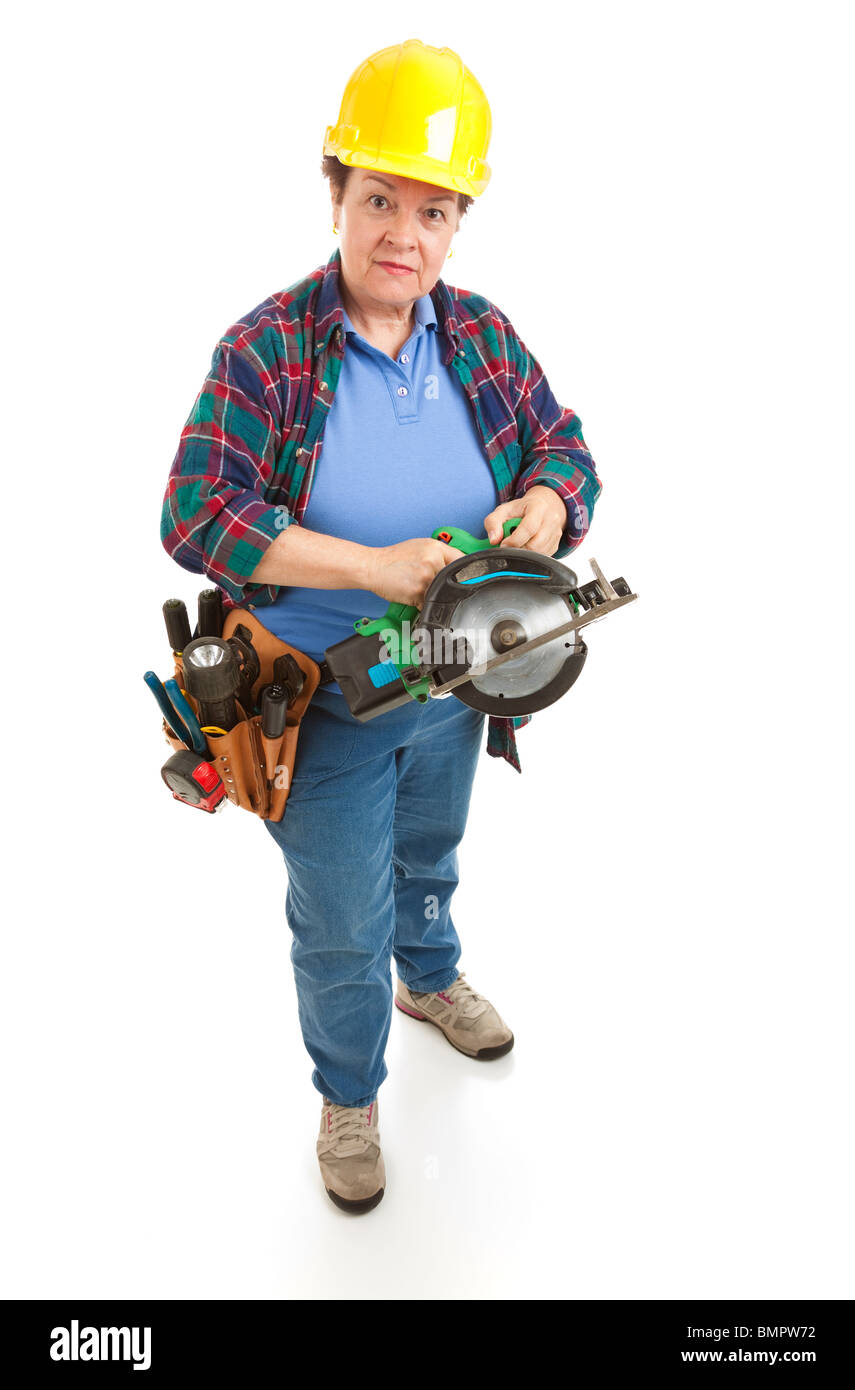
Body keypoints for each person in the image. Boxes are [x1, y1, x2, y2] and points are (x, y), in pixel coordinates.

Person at [160, 38, 602, 1214]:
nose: (402, 234)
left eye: (433, 210)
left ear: (458, 225)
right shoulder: (267, 350)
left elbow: (565, 447)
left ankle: (432, 978)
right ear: (338, 192)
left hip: (456, 673)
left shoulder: (481, 340)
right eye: (380, 200)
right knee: (339, 916)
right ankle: (349, 1091)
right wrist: (366, 564)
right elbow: (194, 511)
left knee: (427, 853)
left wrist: (547, 505)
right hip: (324, 697)